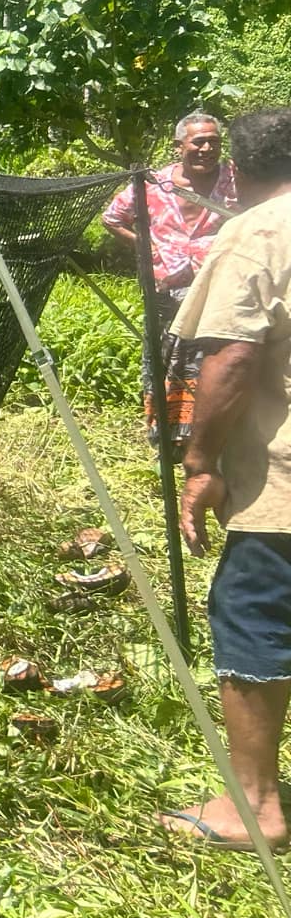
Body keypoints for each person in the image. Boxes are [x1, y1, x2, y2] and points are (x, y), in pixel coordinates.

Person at [165, 108, 291, 849]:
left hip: (281, 479)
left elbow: (234, 358)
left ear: (237, 168)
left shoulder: (259, 231)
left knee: (253, 611)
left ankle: (255, 805)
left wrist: (200, 463)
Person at [104, 112, 241, 448]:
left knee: (214, 356)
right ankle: (167, 435)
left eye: (214, 141)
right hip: (167, 291)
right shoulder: (155, 184)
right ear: (179, 146)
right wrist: (148, 247)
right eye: (199, 141)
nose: (208, 148)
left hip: (220, 287)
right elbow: (112, 218)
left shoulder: (236, 180)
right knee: (167, 357)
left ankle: (209, 436)